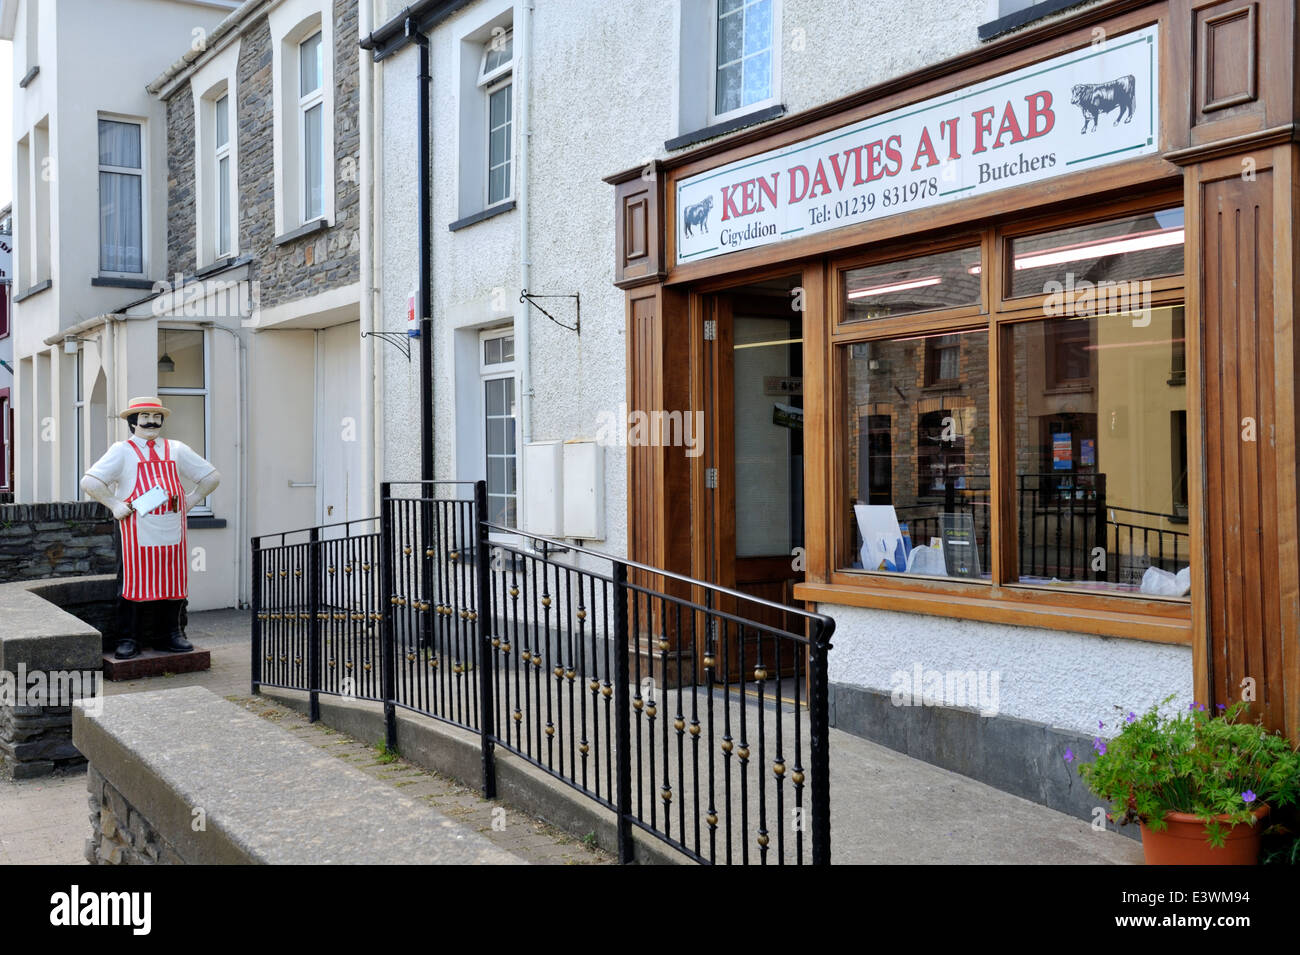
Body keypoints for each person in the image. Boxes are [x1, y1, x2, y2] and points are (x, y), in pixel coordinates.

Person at [81, 397, 221, 659]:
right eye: (145, 415)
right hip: (136, 528)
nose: (151, 421)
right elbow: (90, 481)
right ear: (132, 422)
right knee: (133, 584)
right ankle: (128, 639)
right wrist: (113, 503)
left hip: (172, 528)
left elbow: (211, 477)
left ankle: (170, 635)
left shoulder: (176, 449)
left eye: (156, 416)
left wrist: (191, 499)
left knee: (173, 582)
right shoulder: (121, 451)